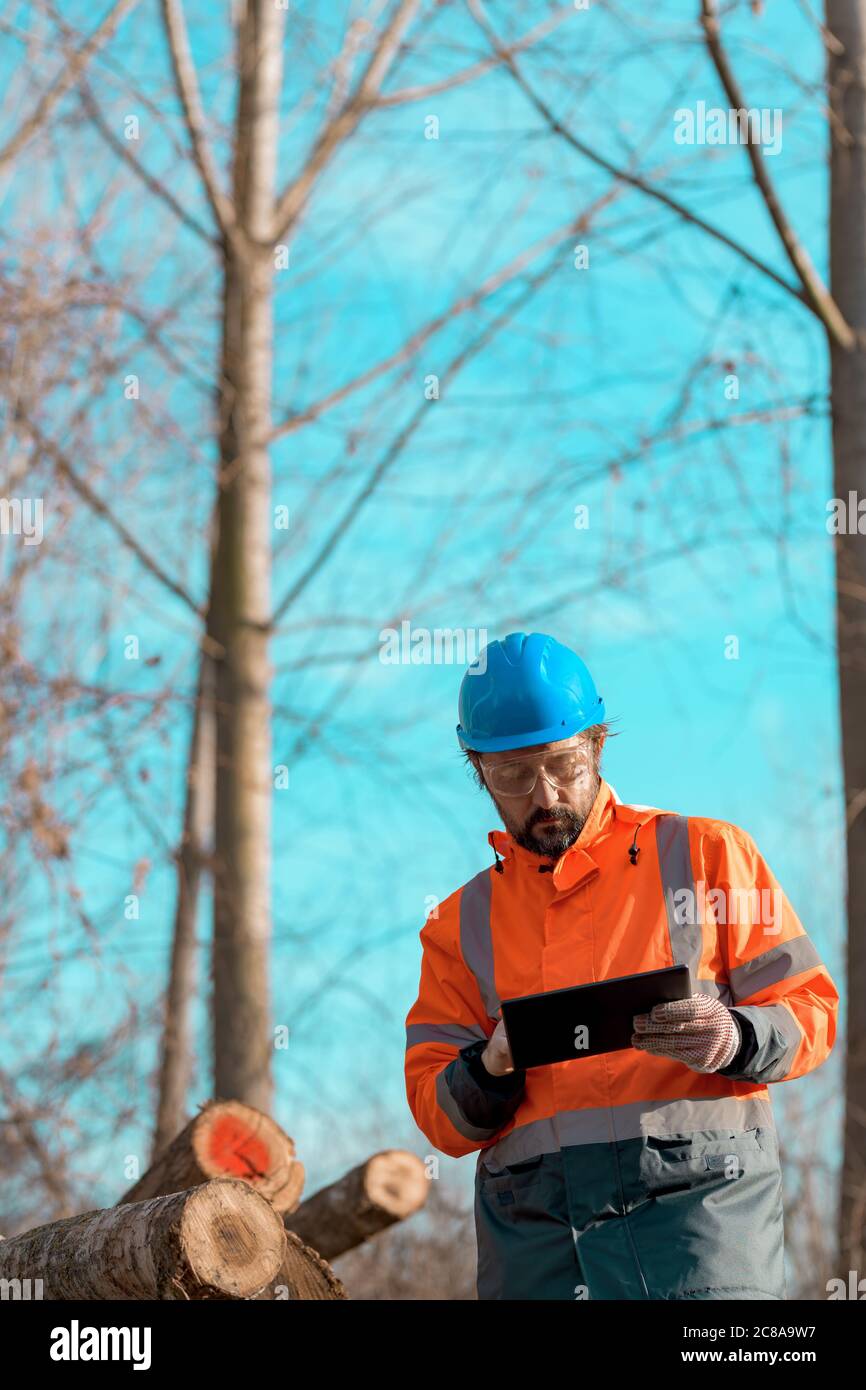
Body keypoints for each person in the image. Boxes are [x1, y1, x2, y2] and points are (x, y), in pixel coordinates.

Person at [404, 631, 839, 1300]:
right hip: (539, 1245)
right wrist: (489, 1067)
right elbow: (439, 1115)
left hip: (700, 1230)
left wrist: (735, 1037)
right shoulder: (458, 924)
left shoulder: (707, 856)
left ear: (597, 745)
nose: (544, 793)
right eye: (513, 774)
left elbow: (813, 1010)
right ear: (479, 771)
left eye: (562, 764)